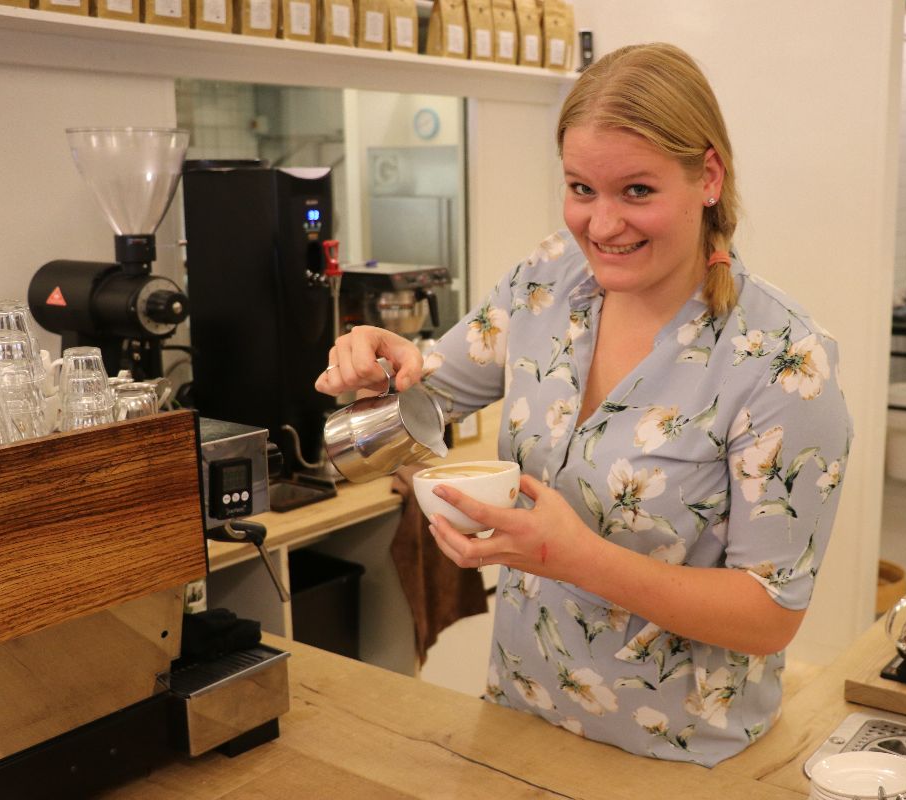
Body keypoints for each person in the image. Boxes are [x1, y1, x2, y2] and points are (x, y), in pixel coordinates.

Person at [316, 42, 852, 767]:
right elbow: (430, 391)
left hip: (679, 753)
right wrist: (382, 358)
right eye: (580, 189)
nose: (601, 226)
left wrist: (577, 559)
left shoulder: (782, 363)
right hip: (518, 712)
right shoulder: (546, 281)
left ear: (709, 177)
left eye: (636, 191)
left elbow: (769, 616)